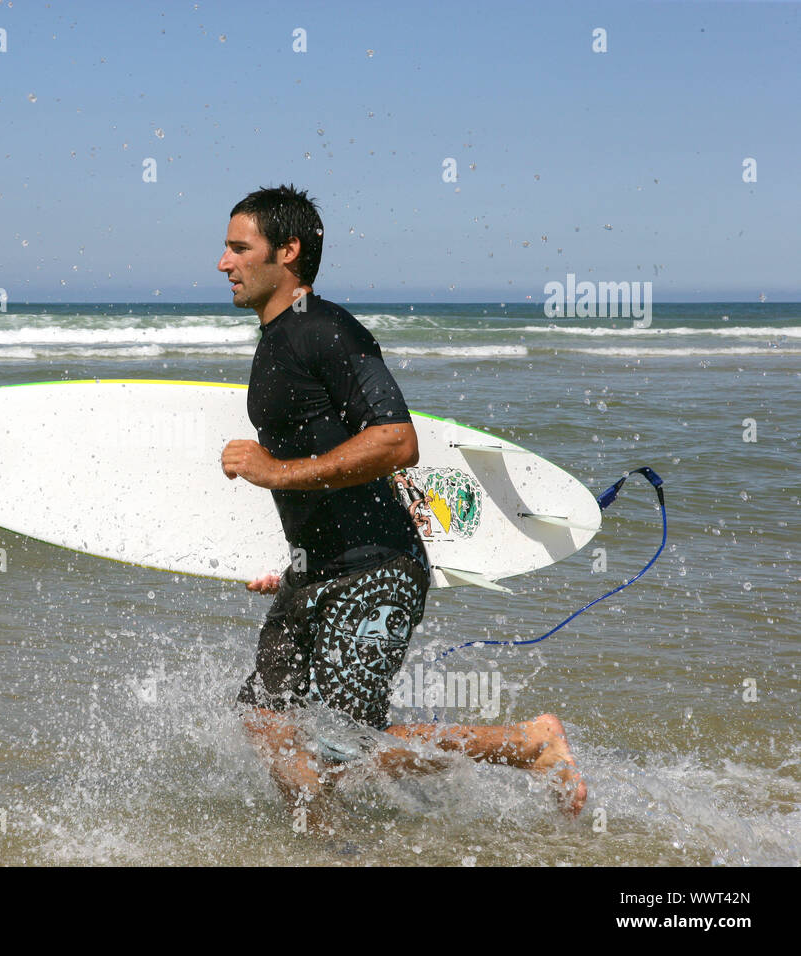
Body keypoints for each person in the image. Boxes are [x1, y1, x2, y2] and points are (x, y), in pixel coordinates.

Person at [216, 185, 587, 830]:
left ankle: (529, 745)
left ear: (289, 252)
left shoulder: (326, 330)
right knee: (267, 719)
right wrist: (295, 559)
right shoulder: (276, 341)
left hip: (375, 570)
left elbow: (396, 439)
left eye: (239, 248)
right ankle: (331, 842)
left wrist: (273, 470)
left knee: (344, 749)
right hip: (320, 570)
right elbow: (324, 459)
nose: (224, 263)